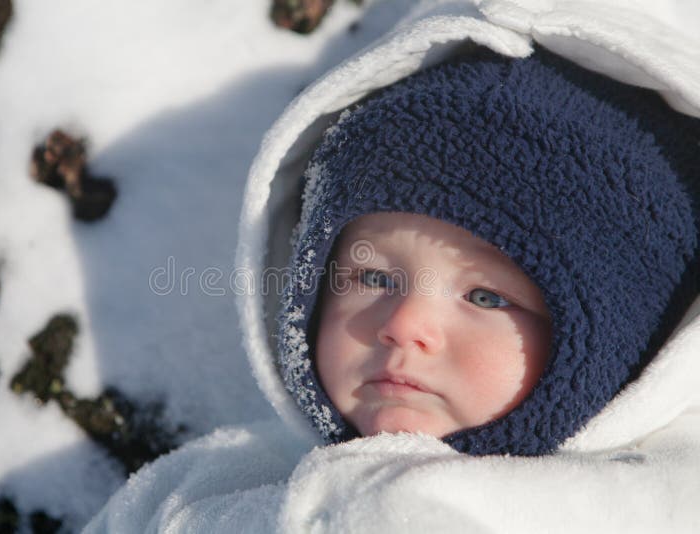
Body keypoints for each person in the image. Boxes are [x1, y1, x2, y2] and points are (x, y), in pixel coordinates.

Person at [83, 1, 700, 532]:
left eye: (485, 297)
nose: (404, 325)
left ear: (616, 352)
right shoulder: (203, 489)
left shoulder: (654, 502)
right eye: (374, 278)